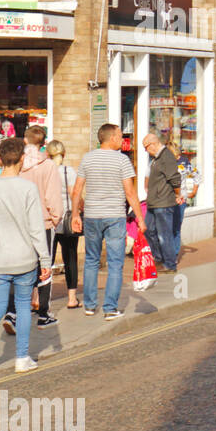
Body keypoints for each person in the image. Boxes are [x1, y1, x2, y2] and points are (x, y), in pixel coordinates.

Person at [0, 137, 51, 378]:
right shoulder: (27, 188)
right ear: (22, 159)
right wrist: (45, 260)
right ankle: (22, 358)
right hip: (24, 259)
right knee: (23, 307)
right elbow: (36, 228)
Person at [70, 123, 145, 321]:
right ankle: (110, 308)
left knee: (92, 261)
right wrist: (140, 218)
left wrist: (75, 215)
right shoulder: (122, 161)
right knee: (115, 263)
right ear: (111, 138)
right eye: (120, 136)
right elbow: (130, 192)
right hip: (114, 217)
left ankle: (89, 305)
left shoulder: (87, 158)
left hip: (92, 216)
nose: (122, 139)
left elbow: (76, 190)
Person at [3, 125, 61, 332]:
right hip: (42, 223)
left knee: (16, 267)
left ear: (25, 141)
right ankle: (43, 314)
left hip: (18, 223)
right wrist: (55, 218)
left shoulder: (15, 164)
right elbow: (53, 197)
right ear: (44, 143)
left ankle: (12, 312)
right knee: (44, 269)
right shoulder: (48, 166)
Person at [46, 140, 82, 311]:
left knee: (46, 260)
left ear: (48, 154)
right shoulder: (68, 172)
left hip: (48, 221)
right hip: (66, 221)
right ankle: (72, 298)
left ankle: (39, 298)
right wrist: (80, 209)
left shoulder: (45, 171)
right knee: (70, 259)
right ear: (64, 154)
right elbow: (74, 194)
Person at [142, 132, 183, 274]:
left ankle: (170, 264)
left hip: (164, 203)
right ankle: (158, 257)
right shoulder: (156, 158)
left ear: (152, 144)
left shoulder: (166, 156)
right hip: (154, 202)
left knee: (164, 234)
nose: (146, 151)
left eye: (146, 147)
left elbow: (175, 179)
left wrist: (177, 194)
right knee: (148, 230)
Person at [171, 140, 200, 267]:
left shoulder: (183, 163)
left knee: (176, 227)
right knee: (167, 227)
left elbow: (197, 175)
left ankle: (173, 255)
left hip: (180, 200)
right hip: (165, 200)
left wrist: (193, 191)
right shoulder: (165, 162)